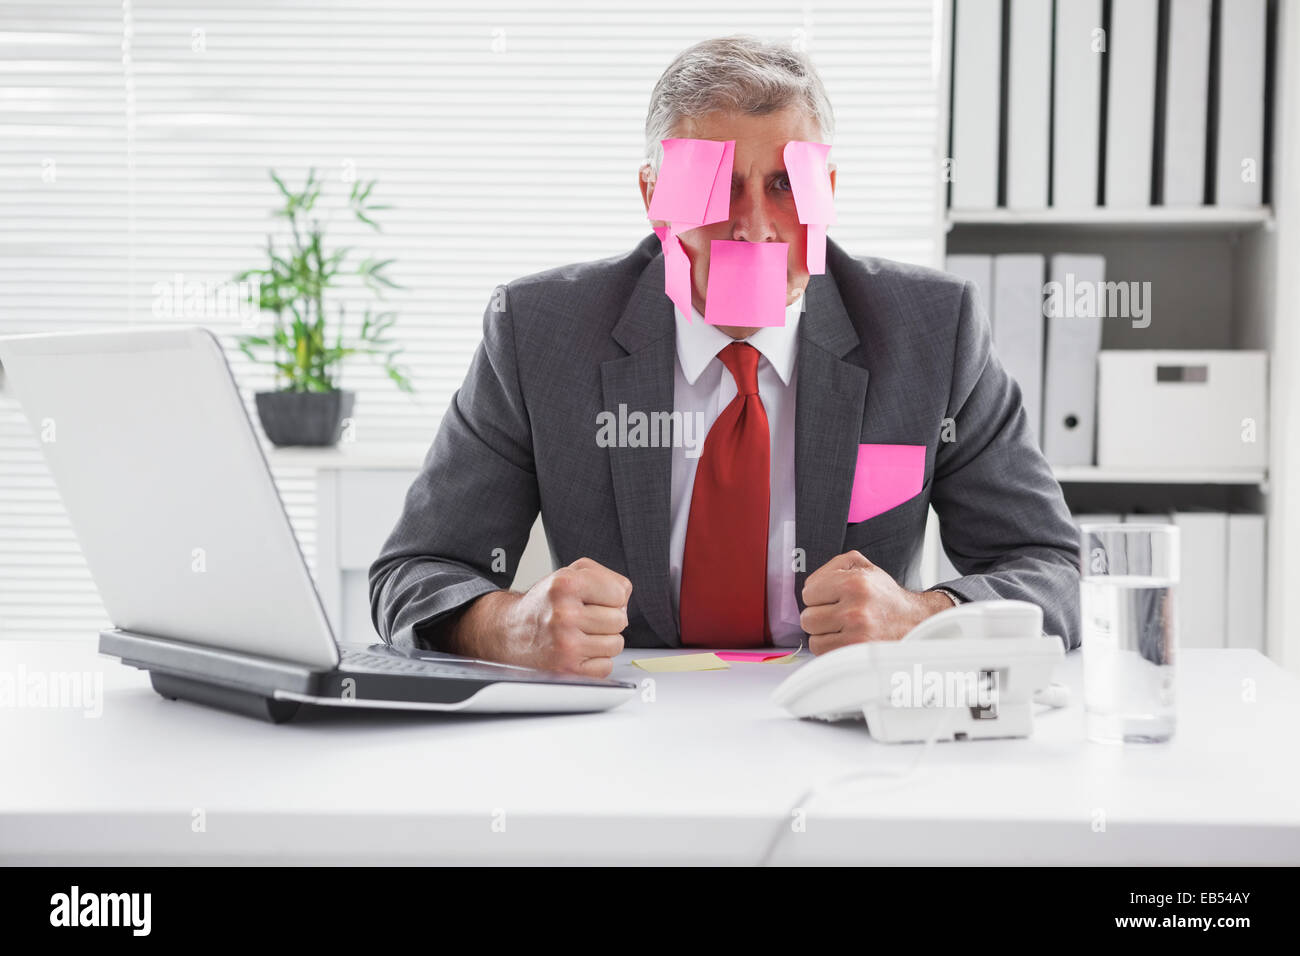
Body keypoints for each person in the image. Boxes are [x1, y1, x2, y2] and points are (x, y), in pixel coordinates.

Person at [370, 35, 1080, 677]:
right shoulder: (538, 333)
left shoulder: (932, 330)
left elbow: (1053, 570)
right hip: (620, 729)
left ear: (824, 195)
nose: (753, 226)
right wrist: (507, 627)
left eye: (783, 185)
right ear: (653, 197)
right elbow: (413, 572)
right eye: (713, 186)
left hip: (843, 727)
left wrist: (923, 620)